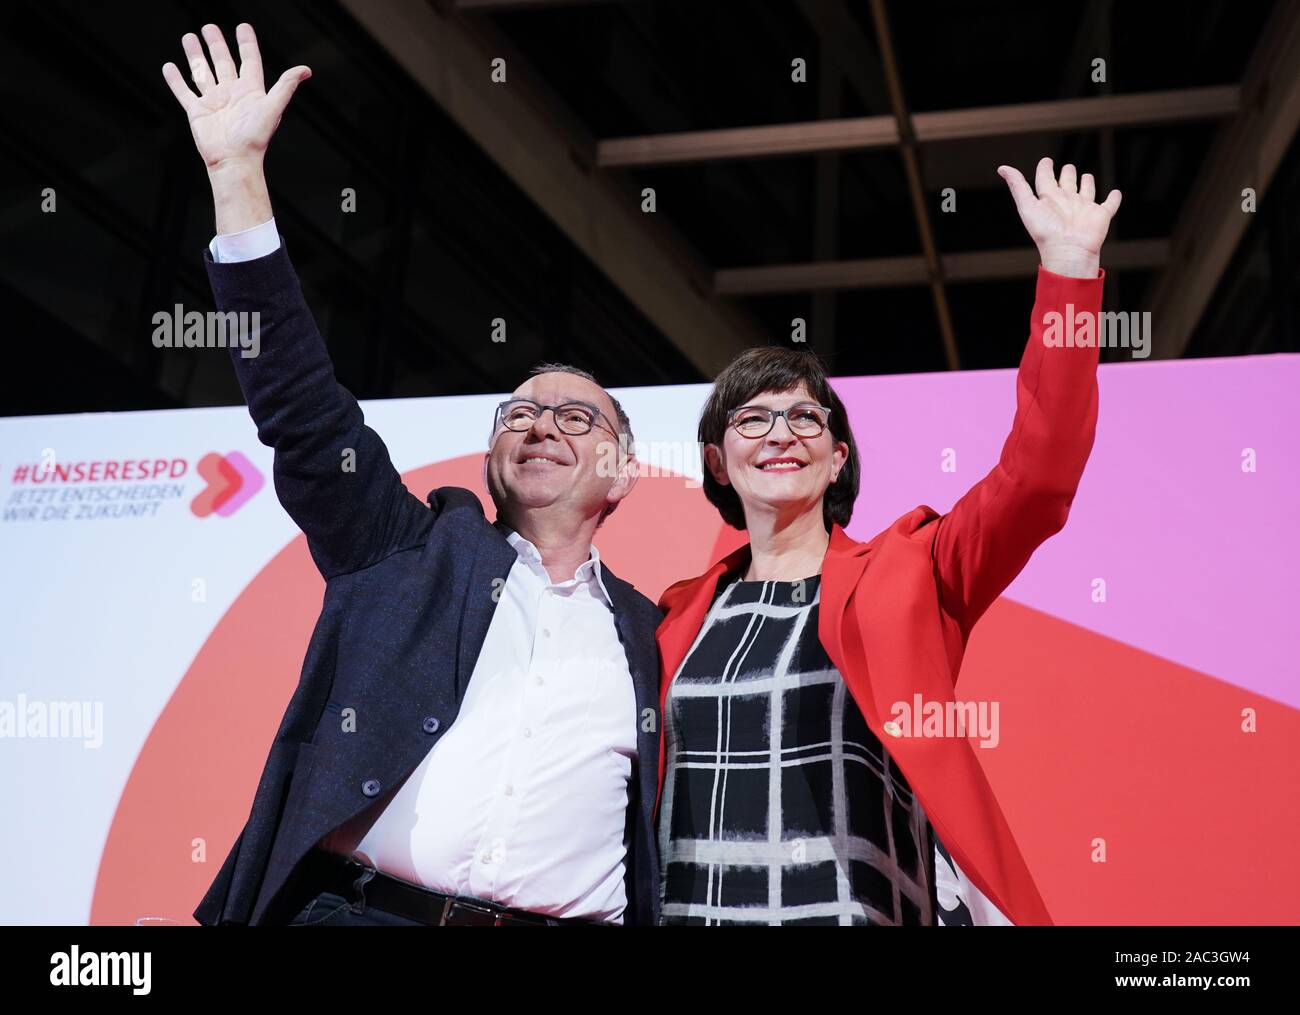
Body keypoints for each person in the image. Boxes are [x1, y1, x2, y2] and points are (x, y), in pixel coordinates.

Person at [163, 23, 663, 926]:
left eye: (575, 416)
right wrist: (237, 178)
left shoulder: (660, 639)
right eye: (518, 412)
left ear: (623, 469)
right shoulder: (408, 550)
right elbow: (303, 410)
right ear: (491, 457)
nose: (541, 423)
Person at [654, 156, 1121, 925]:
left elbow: (1040, 475)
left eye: (806, 417)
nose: (781, 433)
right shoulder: (673, 619)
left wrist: (1069, 276)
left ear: (838, 455)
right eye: (752, 418)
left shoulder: (914, 570)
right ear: (717, 460)